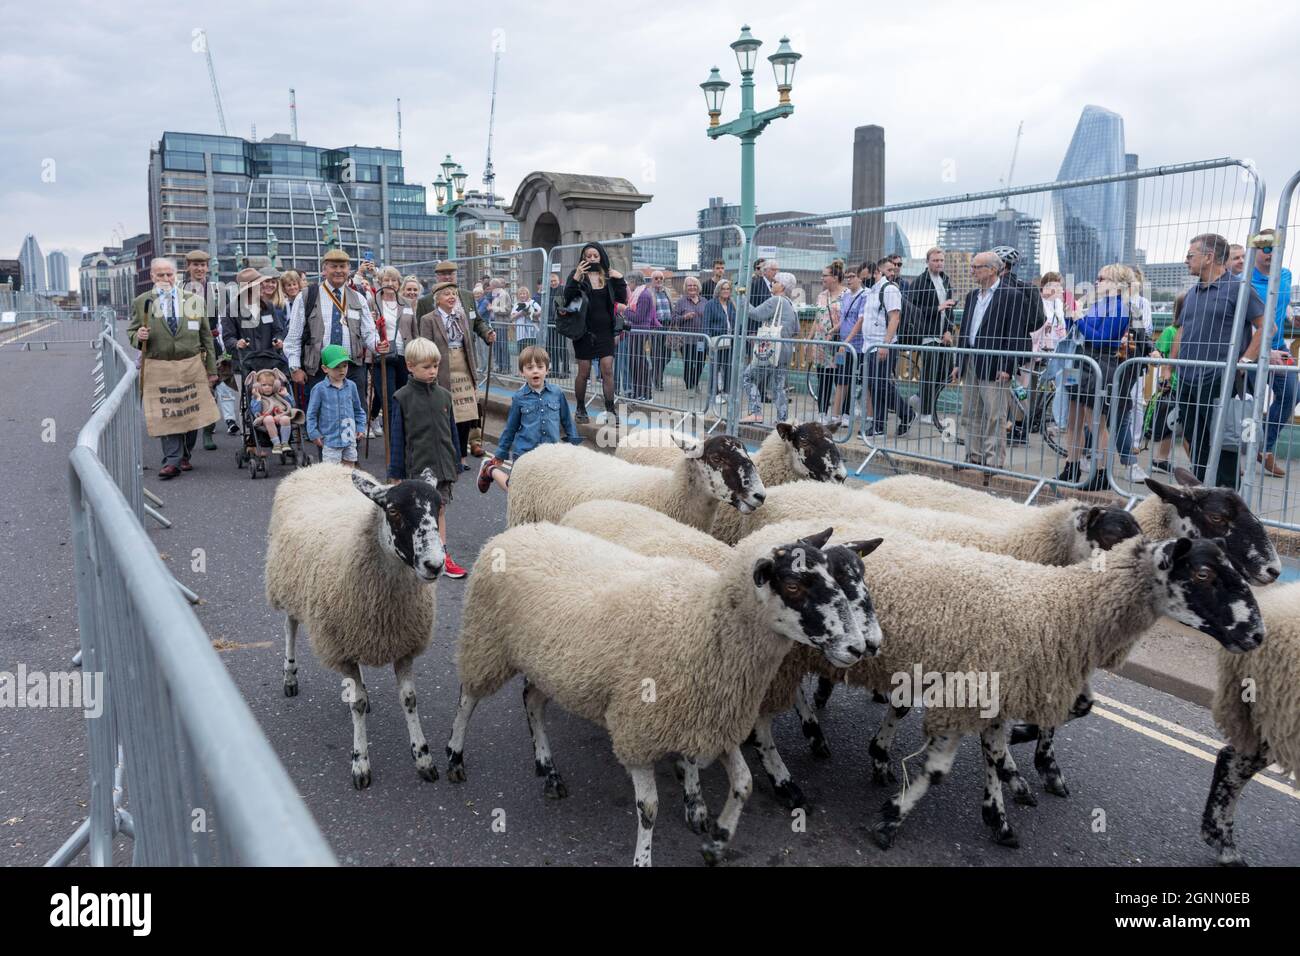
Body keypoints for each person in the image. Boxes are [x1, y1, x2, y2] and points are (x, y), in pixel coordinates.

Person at [1171, 233, 1266, 488]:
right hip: (1188, 380)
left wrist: (1245, 361)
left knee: (1223, 447)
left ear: (1209, 257)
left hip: (1219, 381)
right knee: (1196, 442)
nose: (1186, 260)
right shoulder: (1192, 293)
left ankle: (1226, 508)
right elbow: (1181, 332)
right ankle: (1203, 502)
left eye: (1191, 255)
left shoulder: (1239, 288)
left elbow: (1267, 327)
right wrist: (1171, 369)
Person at [130, 257, 218, 479]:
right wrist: (137, 336)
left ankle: (185, 453)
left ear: (176, 275)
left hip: (190, 365)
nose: (166, 279)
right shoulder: (142, 302)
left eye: (169, 274)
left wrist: (212, 370)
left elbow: (206, 337)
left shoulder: (194, 300)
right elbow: (132, 333)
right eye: (160, 275)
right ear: (152, 277)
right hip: (159, 366)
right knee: (166, 412)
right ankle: (172, 460)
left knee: (190, 412)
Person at [386, 336, 467, 579]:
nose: (432, 371)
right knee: (422, 517)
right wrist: (396, 474)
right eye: (426, 367)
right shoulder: (402, 397)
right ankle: (417, 556)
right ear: (410, 366)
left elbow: (451, 431)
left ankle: (441, 555)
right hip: (420, 470)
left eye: (435, 366)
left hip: (443, 467)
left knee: (440, 509)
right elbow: (398, 439)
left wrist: (456, 461)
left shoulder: (444, 396)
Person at [1058, 263, 1143, 490]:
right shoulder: (1098, 303)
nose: (1097, 282)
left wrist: (1078, 318)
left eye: (1102, 278)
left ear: (1118, 284)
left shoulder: (1122, 307)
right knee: (1073, 419)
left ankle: (1102, 473)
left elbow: (1102, 339)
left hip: (1101, 363)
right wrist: (1071, 314)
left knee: (1095, 422)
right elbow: (1076, 330)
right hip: (1080, 359)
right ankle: (1071, 466)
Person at [951, 250, 1034, 469]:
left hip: (995, 366)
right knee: (970, 413)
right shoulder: (972, 296)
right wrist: (959, 363)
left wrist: (1008, 366)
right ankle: (973, 457)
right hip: (971, 363)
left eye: (976, 267)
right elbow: (965, 331)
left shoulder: (1011, 296)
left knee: (995, 417)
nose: (972, 271)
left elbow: (1016, 334)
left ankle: (994, 462)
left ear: (992, 270)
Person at [478, 345, 582, 495]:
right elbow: (510, 429)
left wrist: (575, 446)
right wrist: (501, 453)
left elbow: (567, 421)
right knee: (515, 490)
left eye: (540, 367)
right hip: (525, 454)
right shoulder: (519, 398)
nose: (535, 370)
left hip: (550, 454)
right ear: (522, 372)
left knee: (548, 493)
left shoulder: (557, 393)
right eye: (530, 367)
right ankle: (489, 470)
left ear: (547, 370)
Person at [285, 249, 383, 401]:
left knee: (354, 416)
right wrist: (295, 367)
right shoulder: (306, 296)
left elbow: (369, 333)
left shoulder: (358, 298)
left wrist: (378, 346)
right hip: (318, 368)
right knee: (319, 417)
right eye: (334, 266)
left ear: (348, 269)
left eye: (342, 267)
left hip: (352, 369)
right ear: (324, 270)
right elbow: (293, 336)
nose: (339, 271)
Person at [420, 281, 489, 465]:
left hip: (463, 369)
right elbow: (426, 350)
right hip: (442, 371)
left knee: (466, 414)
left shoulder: (461, 316)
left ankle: (461, 457)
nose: (451, 297)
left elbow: (468, 347)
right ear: (437, 299)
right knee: (447, 415)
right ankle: (447, 454)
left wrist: (473, 375)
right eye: (446, 294)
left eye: (454, 294)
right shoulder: (428, 319)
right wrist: (430, 373)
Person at [565, 241, 627, 424]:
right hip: (584, 332)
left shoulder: (607, 277)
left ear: (601, 257)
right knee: (583, 371)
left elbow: (622, 299)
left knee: (607, 369)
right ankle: (580, 408)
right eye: (588, 256)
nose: (592, 259)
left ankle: (610, 410)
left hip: (605, 331)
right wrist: (576, 277)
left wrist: (620, 278)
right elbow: (567, 298)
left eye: (595, 256)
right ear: (583, 258)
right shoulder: (577, 276)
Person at [1249, 230, 1295, 478]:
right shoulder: (1244, 279)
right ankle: (1233, 457)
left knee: (1291, 393)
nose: (1270, 254)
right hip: (1251, 349)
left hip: (1280, 347)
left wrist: (1292, 315)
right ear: (1255, 250)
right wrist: (1263, 350)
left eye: (1275, 249)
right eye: (1265, 249)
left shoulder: (1286, 275)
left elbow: (1283, 302)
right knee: (1244, 402)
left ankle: (1263, 447)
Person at [903, 247, 958, 425]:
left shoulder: (946, 280)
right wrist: (936, 309)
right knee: (929, 374)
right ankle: (926, 413)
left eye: (941, 260)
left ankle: (919, 397)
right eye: (935, 260)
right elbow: (911, 310)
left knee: (946, 373)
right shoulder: (919, 282)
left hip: (943, 336)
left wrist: (949, 330)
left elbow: (950, 309)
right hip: (927, 335)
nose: (939, 263)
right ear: (927, 262)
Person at [860, 257, 915, 437]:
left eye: (865, 276)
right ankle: (878, 425)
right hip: (869, 346)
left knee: (881, 384)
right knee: (874, 385)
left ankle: (906, 413)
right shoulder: (870, 292)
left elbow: (895, 318)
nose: (863, 280)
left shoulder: (889, 290)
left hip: (883, 345)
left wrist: (885, 343)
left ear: (877, 272)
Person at [740, 272, 800, 424]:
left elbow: (754, 313)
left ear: (782, 286)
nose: (772, 284)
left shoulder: (776, 300)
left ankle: (756, 413)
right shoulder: (791, 304)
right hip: (785, 350)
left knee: (748, 377)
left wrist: (742, 297)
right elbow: (797, 329)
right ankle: (782, 420)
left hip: (770, 350)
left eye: (775, 282)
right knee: (778, 386)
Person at [183, 249, 226, 450]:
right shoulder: (180, 290)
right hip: (188, 347)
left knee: (210, 391)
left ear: (208, 267)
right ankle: (186, 435)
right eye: (195, 265)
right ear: (188, 267)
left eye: (202, 265)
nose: (199, 268)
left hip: (211, 346)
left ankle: (208, 432)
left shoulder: (216, 291)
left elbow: (224, 320)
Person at [306, 344, 366, 468]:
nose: (342, 370)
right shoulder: (319, 389)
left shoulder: (352, 386)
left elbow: (358, 410)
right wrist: (313, 433)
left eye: (345, 366)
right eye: (336, 367)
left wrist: (360, 427)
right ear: (325, 368)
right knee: (331, 473)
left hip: (349, 438)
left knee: (349, 471)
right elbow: (311, 414)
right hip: (330, 440)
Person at [222, 266, 288, 370]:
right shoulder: (231, 309)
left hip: (269, 363)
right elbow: (228, 338)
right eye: (260, 284)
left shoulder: (268, 306)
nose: (264, 287)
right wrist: (237, 343)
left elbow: (278, 330)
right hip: (244, 365)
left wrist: (278, 340)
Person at [830, 264, 870, 430]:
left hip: (858, 345)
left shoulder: (864, 295)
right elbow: (844, 318)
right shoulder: (846, 296)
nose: (849, 280)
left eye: (852, 276)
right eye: (847, 277)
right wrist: (834, 330)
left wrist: (848, 340)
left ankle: (866, 417)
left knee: (863, 381)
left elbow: (860, 320)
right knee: (842, 380)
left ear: (860, 278)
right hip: (844, 345)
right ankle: (835, 415)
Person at [812, 261, 845, 425]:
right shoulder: (821, 295)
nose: (822, 278)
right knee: (822, 378)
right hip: (820, 344)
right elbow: (817, 318)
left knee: (840, 378)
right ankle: (822, 411)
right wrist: (809, 338)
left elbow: (848, 319)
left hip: (839, 343)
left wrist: (835, 331)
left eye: (825, 275)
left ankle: (840, 413)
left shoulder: (846, 294)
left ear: (835, 277)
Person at [634, 270, 672, 396]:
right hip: (654, 326)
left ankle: (653, 373)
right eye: (656, 278)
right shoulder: (649, 293)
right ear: (651, 280)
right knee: (657, 355)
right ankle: (658, 381)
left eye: (661, 278)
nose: (659, 280)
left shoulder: (667, 292)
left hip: (666, 326)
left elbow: (671, 308)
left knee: (667, 356)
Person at [703, 277, 736, 407]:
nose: (726, 291)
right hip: (716, 341)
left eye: (728, 289)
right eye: (723, 288)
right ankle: (714, 393)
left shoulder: (732, 304)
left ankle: (726, 392)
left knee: (728, 368)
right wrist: (708, 342)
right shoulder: (711, 304)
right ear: (718, 290)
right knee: (715, 368)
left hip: (730, 341)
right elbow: (706, 324)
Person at [249, 368, 299, 455]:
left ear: (276, 385)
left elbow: (291, 406)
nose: (267, 387)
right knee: (268, 419)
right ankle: (276, 444)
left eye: (270, 385)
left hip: (280, 416)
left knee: (286, 419)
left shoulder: (278, 395)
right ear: (258, 386)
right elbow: (256, 412)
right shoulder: (256, 398)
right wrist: (258, 398)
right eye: (264, 385)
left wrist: (286, 394)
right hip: (265, 419)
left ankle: (285, 443)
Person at [673, 276, 707, 392]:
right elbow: (674, 319)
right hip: (686, 340)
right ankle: (689, 387)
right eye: (689, 285)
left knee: (700, 363)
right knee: (688, 363)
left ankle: (695, 382)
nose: (692, 287)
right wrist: (684, 317)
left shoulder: (704, 301)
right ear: (685, 288)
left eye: (694, 285)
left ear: (698, 287)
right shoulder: (681, 302)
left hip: (701, 339)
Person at [544, 269, 572, 378]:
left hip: (560, 323)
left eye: (554, 281)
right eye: (551, 281)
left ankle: (565, 371)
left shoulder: (562, 290)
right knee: (552, 348)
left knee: (562, 348)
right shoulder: (547, 291)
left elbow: (563, 306)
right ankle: (555, 370)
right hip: (549, 324)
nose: (553, 283)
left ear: (558, 280)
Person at [489, 278, 512, 372]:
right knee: (497, 346)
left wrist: (493, 308)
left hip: (501, 324)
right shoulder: (496, 294)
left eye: (491, 286)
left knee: (503, 346)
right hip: (496, 324)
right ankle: (499, 366)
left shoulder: (503, 294)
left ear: (494, 286)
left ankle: (505, 367)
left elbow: (506, 309)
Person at [512, 286, 542, 357]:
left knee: (532, 353)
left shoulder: (533, 302)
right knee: (522, 353)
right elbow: (512, 317)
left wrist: (531, 314)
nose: (522, 295)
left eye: (524, 293)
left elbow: (541, 311)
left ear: (527, 294)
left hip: (532, 332)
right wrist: (520, 313)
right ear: (518, 295)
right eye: (520, 294)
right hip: (520, 333)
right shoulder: (516, 305)